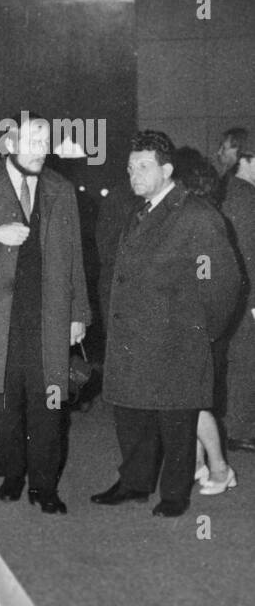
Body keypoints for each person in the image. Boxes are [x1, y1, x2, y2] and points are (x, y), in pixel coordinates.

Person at [0, 113, 90, 514]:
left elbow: (75, 253)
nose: (41, 150)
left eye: (46, 143)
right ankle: (11, 473)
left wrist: (79, 313)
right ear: (9, 145)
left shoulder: (61, 188)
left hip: (48, 315)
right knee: (5, 405)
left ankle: (44, 487)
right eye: (33, 142)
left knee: (49, 406)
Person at [93, 131, 241, 517]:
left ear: (167, 170)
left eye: (143, 167)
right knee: (133, 414)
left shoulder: (196, 216)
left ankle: (175, 494)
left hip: (176, 340)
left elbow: (221, 285)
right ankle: (134, 484)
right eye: (130, 167)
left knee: (177, 420)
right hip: (134, 339)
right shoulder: (139, 210)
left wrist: (198, 332)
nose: (133, 174)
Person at [170, 147, 236, 492]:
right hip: (189, 326)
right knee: (186, 402)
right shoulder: (193, 217)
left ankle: (221, 469)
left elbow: (213, 281)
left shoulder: (201, 222)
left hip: (196, 329)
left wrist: (204, 326)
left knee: (192, 405)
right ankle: (197, 463)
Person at [220, 136, 255, 457]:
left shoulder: (235, 193)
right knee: (245, 361)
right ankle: (239, 430)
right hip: (246, 298)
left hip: (237, 295)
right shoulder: (243, 197)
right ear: (247, 160)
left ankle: (237, 426)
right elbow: (247, 256)